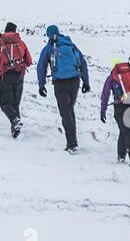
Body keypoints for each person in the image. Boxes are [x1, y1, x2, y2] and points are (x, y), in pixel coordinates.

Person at [36, 25, 90, 153]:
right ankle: (72, 141)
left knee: (65, 113)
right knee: (69, 111)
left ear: (49, 35)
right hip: (75, 81)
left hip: (60, 82)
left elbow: (41, 67)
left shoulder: (49, 47)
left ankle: (72, 144)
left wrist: (41, 84)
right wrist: (86, 81)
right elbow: (82, 62)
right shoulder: (70, 44)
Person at [0, 22, 33, 138]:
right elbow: (29, 61)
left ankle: (15, 121)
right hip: (19, 74)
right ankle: (16, 127)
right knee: (15, 103)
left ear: (6, 30)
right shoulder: (20, 43)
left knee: (5, 104)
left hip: (5, 75)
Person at [100, 57, 130, 168]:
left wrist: (103, 111)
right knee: (124, 131)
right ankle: (121, 156)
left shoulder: (112, 78)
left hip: (119, 108)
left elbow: (105, 94)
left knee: (126, 132)